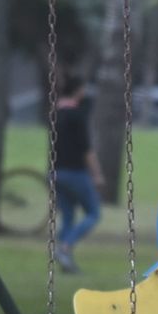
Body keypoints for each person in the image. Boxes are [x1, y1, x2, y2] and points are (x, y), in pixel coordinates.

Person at [53, 73, 104, 274]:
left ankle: (66, 261)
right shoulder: (77, 115)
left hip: (56, 172)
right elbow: (86, 150)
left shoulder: (55, 114)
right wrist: (97, 174)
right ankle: (65, 248)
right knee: (93, 213)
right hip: (75, 172)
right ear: (78, 91)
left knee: (67, 216)